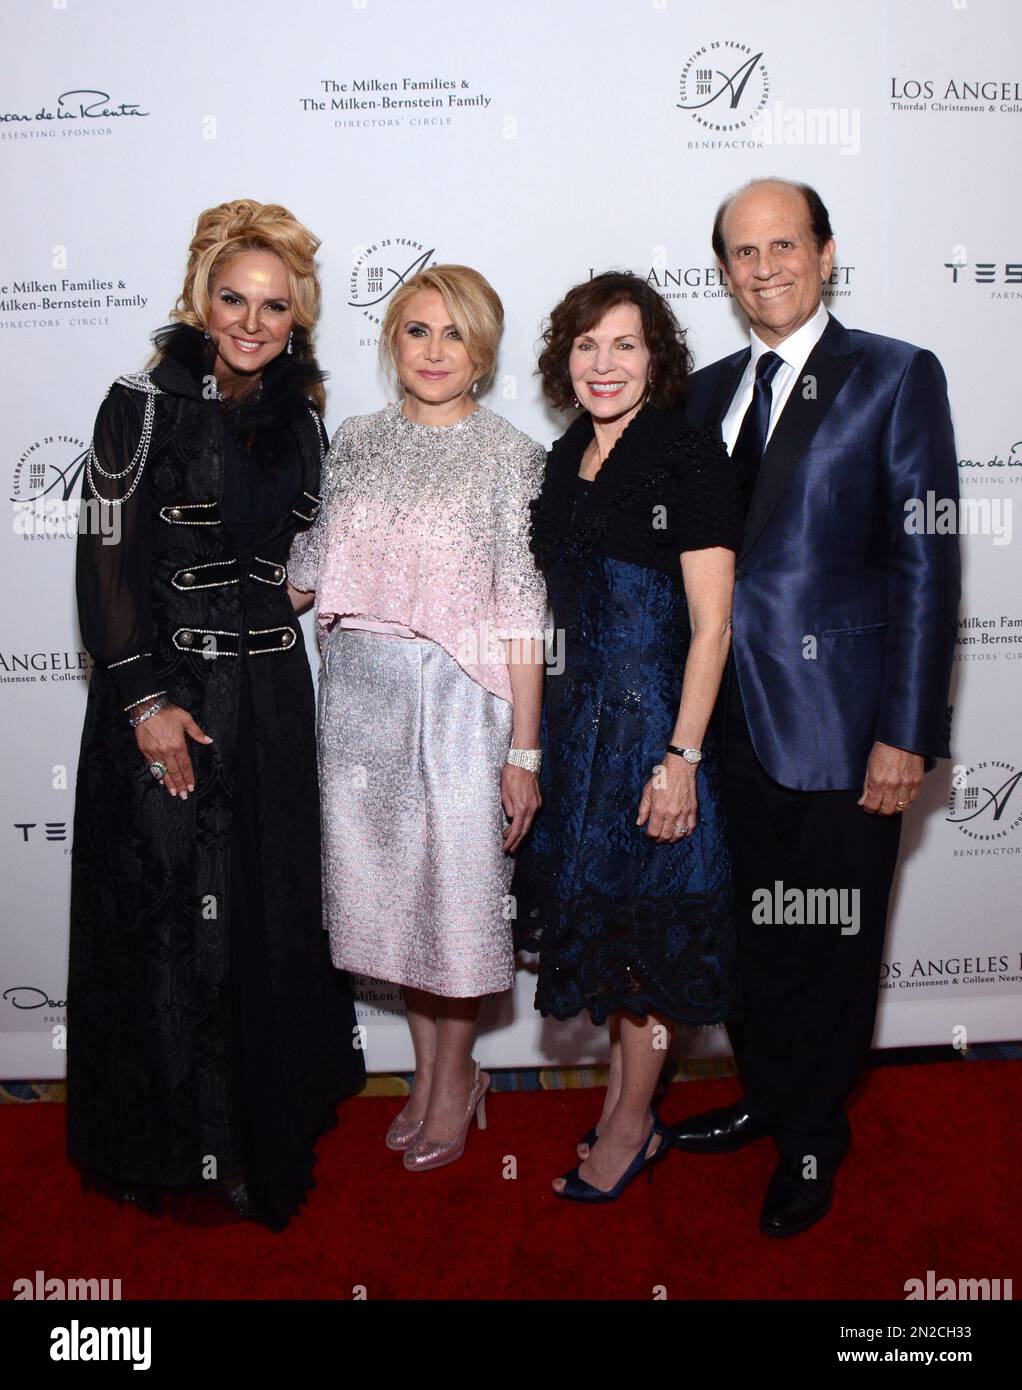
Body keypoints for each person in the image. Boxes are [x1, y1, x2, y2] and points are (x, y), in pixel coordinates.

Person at [68, 199, 365, 1232]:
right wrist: (145, 700)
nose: (250, 320)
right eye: (232, 299)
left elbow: (294, 561)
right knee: (171, 925)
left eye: (272, 305)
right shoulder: (138, 401)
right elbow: (102, 559)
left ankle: (254, 1130)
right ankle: (178, 1144)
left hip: (272, 704)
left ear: (298, 315)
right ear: (202, 298)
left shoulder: (304, 414)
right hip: (170, 704)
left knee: (263, 916)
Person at [672, 178, 961, 1236]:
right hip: (722, 727)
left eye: (782, 245)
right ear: (723, 271)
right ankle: (766, 1091)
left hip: (842, 730)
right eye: (742, 253)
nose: (763, 268)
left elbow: (924, 565)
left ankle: (811, 1134)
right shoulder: (702, 395)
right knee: (747, 934)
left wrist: (907, 729)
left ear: (824, 252)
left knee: (829, 942)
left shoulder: (891, 376)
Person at [288, 265, 547, 1172]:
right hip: (357, 697)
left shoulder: (512, 456)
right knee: (391, 901)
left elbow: (522, 611)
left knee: (457, 905)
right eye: (417, 331)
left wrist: (525, 748)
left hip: (458, 705)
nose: (434, 352)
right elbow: (309, 566)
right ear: (392, 339)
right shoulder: (352, 441)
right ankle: (430, 1075)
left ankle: (455, 1078)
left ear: (482, 352)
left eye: (455, 335)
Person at [511, 271, 743, 1203]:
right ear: (564, 359)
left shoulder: (686, 459)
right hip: (577, 737)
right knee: (613, 935)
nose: (603, 364)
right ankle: (622, 1112)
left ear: (658, 359)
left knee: (650, 943)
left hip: (655, 734)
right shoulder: (567, 454)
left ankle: (632, 1124)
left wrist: (682, 760)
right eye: (585, 345)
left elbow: (713, 626)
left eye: (625, 345)